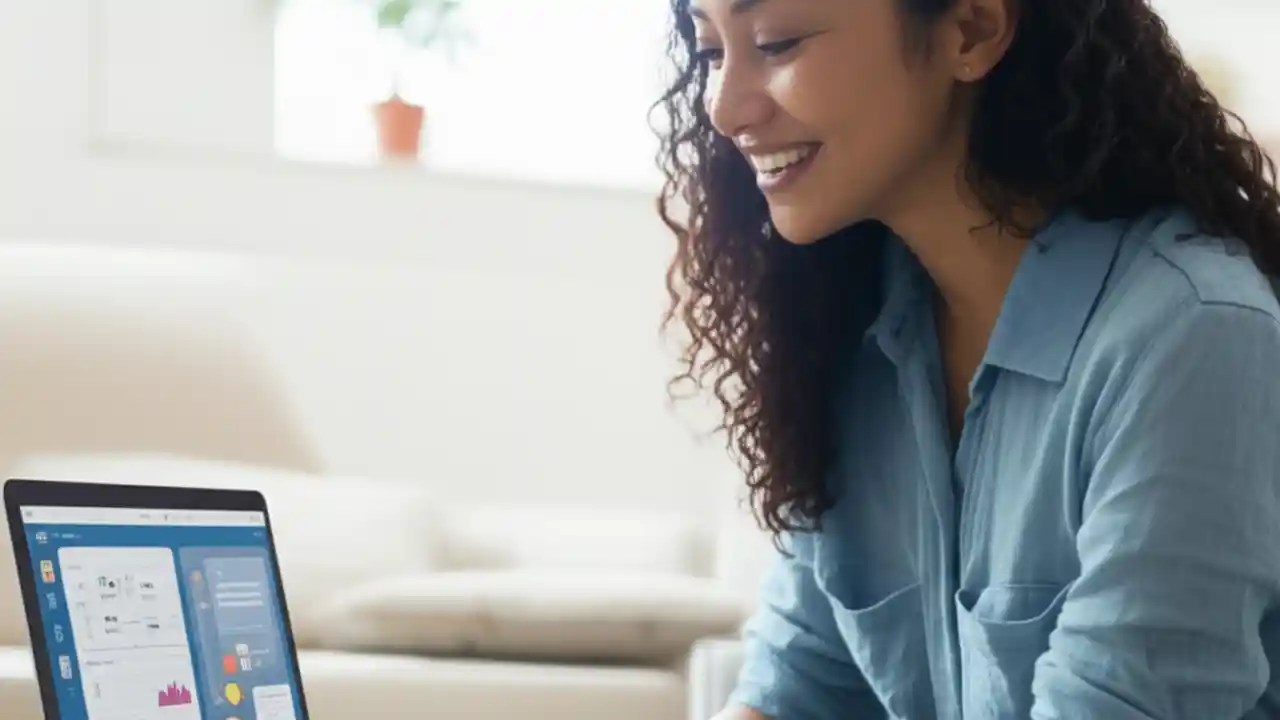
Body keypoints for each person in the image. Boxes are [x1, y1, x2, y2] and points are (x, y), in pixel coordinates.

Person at [655, 0, 1280, 717]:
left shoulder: (1192, 335)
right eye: (709, 53)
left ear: (971, 30)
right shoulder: (850, 331)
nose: (725, 108)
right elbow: (802, 679)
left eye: (777, 42)